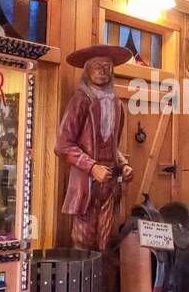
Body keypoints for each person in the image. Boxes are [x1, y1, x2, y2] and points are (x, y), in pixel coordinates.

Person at [54, 45, 136, 251]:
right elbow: (63, 145)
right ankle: (84, 283)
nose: (102, 71)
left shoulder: (117, 104)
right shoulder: (81, 100)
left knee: (108, 242)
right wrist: (92, 167)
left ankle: (105, 283)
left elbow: (112, 145)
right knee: (84, 241)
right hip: (86, 186)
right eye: (96, 66)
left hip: (109, 184)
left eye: (107, 66)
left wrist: (123, 165)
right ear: (87, 70)